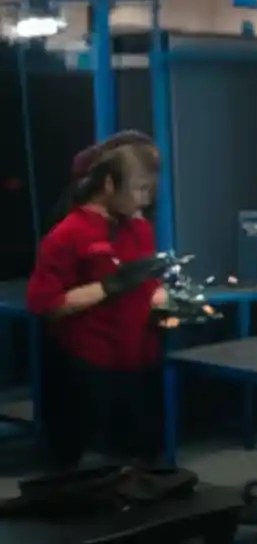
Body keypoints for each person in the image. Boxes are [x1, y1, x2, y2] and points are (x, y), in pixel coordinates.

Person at [27, 134, 171, 471]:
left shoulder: (139, 229)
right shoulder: (68, 234)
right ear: (108, 184)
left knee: (145, 461)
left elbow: (147, 284)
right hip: (90, 365)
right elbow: (46, 304)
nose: (145, 199)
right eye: (138, 189)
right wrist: (108, 287)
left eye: (149, 189)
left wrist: (163, 300)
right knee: (84, 469)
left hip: (138, 360)